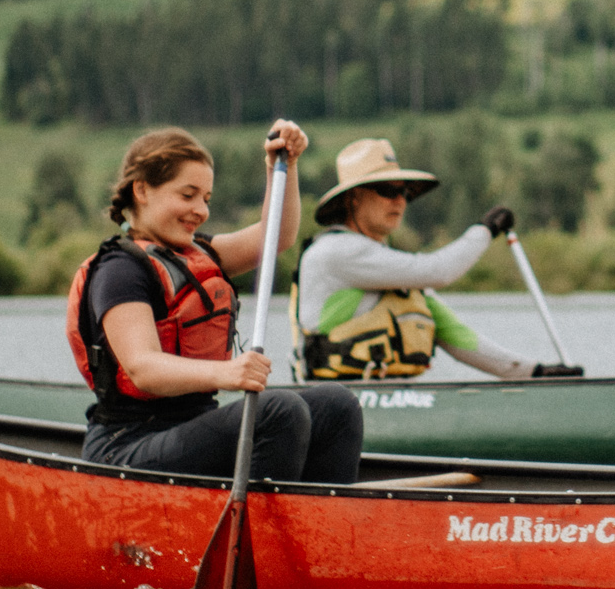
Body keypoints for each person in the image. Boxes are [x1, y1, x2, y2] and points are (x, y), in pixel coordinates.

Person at [65, 122, 363, 483]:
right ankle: (258, 534)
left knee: (337, 404)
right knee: (278, 411)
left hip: (190, 432)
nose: (201, 211)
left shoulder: (200, 254)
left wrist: (283, 166)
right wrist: (227, 373)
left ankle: (318, 528)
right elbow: (142, 368)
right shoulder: (120, 270)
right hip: (127, 445)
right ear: (142, 190)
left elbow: (277, 237)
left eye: (206, 199)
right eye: (187, 195)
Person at [294, 138, 580, 380]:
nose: (400, 201)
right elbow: (439, 271)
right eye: (388, 191)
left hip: (379, 397)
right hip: (332, 401)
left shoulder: (387, 271)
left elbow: (454, 334)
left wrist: (535, 372)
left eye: (404, 192)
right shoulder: (336, 252)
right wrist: (485, 230)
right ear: (354, 198)